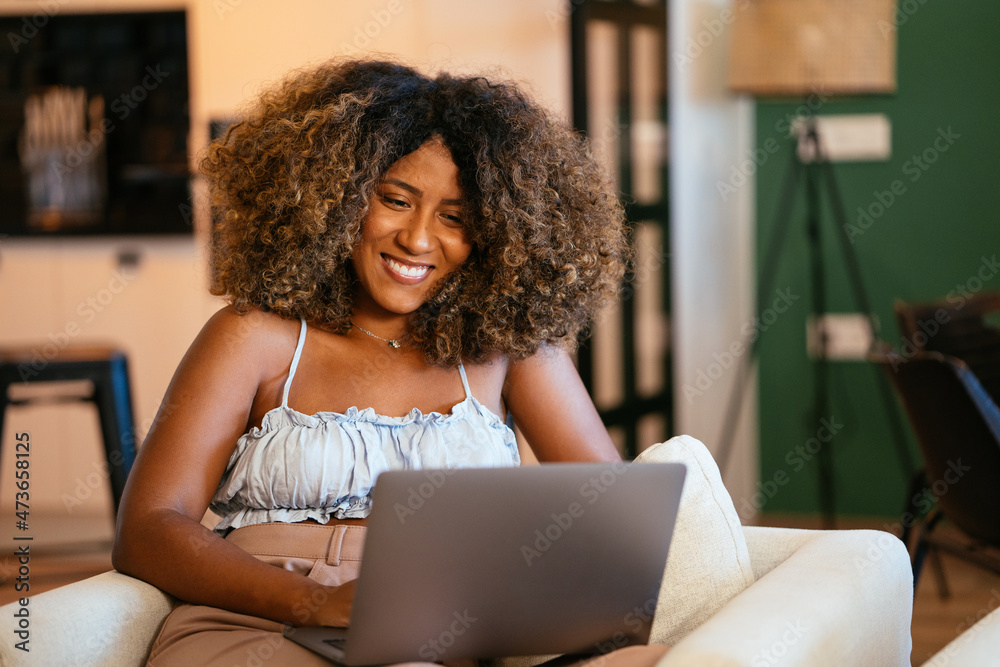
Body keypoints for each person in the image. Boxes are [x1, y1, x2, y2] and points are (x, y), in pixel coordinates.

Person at [112, 58, 669, 667]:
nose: (418, 240)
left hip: (462, 620)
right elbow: (149, 529)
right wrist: (315, 603)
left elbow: (608, 519)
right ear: (334, 197)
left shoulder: (509, 346)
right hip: (264, 612)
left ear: (498, 233)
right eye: (395, 200)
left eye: (455, 217)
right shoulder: (252, 336)